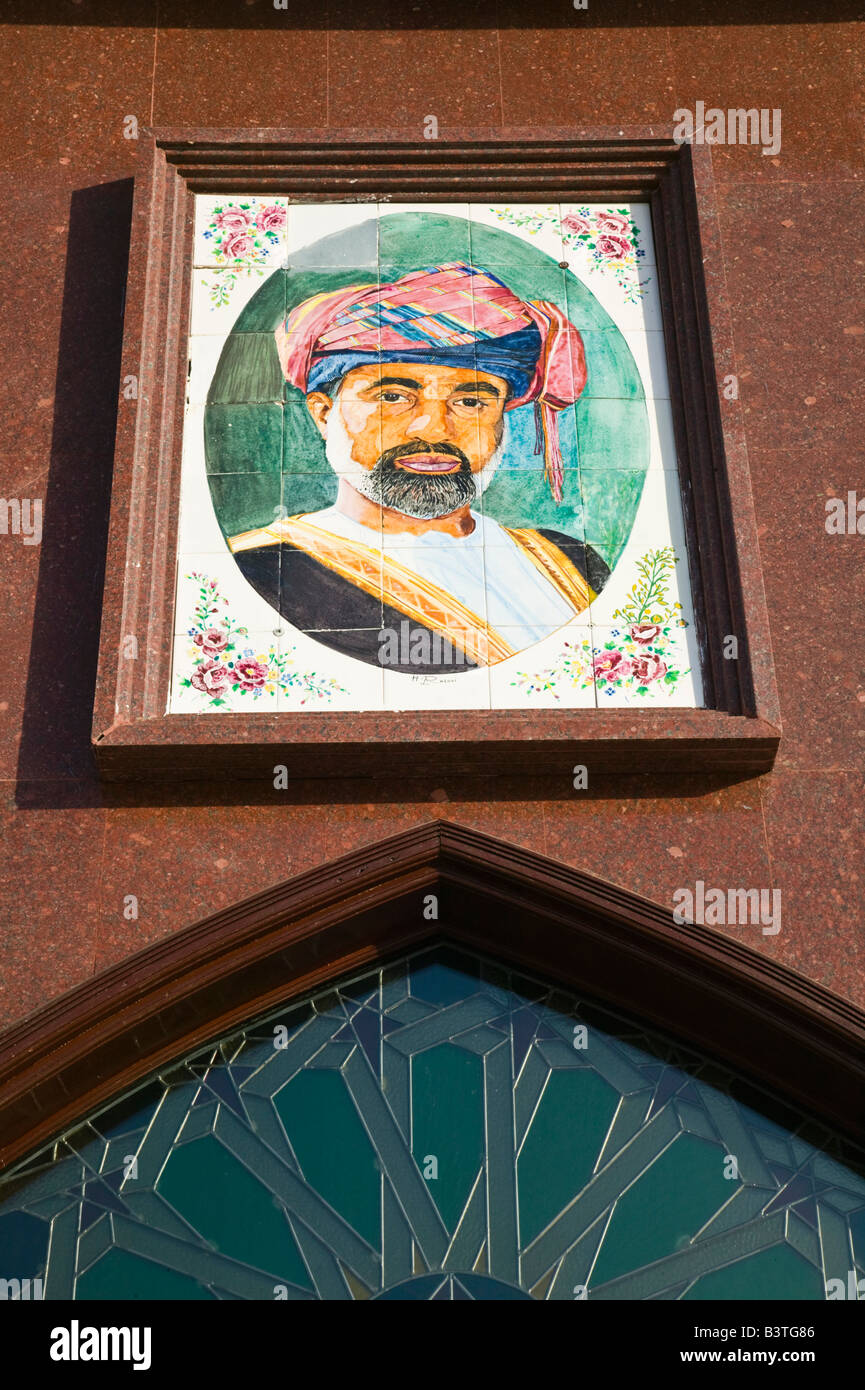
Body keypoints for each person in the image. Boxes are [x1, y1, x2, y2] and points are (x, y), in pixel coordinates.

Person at [229, 262, 609, 672]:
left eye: (470, 402)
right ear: (324, 415)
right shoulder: (267, 568)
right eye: (392, 396)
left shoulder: (567, 561)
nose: (433, 428)